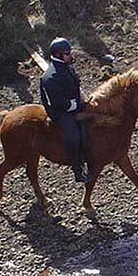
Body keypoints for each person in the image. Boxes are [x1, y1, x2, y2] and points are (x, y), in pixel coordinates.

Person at [39, 38, 88, 183]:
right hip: (60, 112)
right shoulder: (50, 77)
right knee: (74, 136)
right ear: (58, 55)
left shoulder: (67, 67)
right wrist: (78, 106)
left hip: (73, 103)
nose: (70, 56)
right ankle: (77, 168)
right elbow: (59, 104)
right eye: (67, 53)